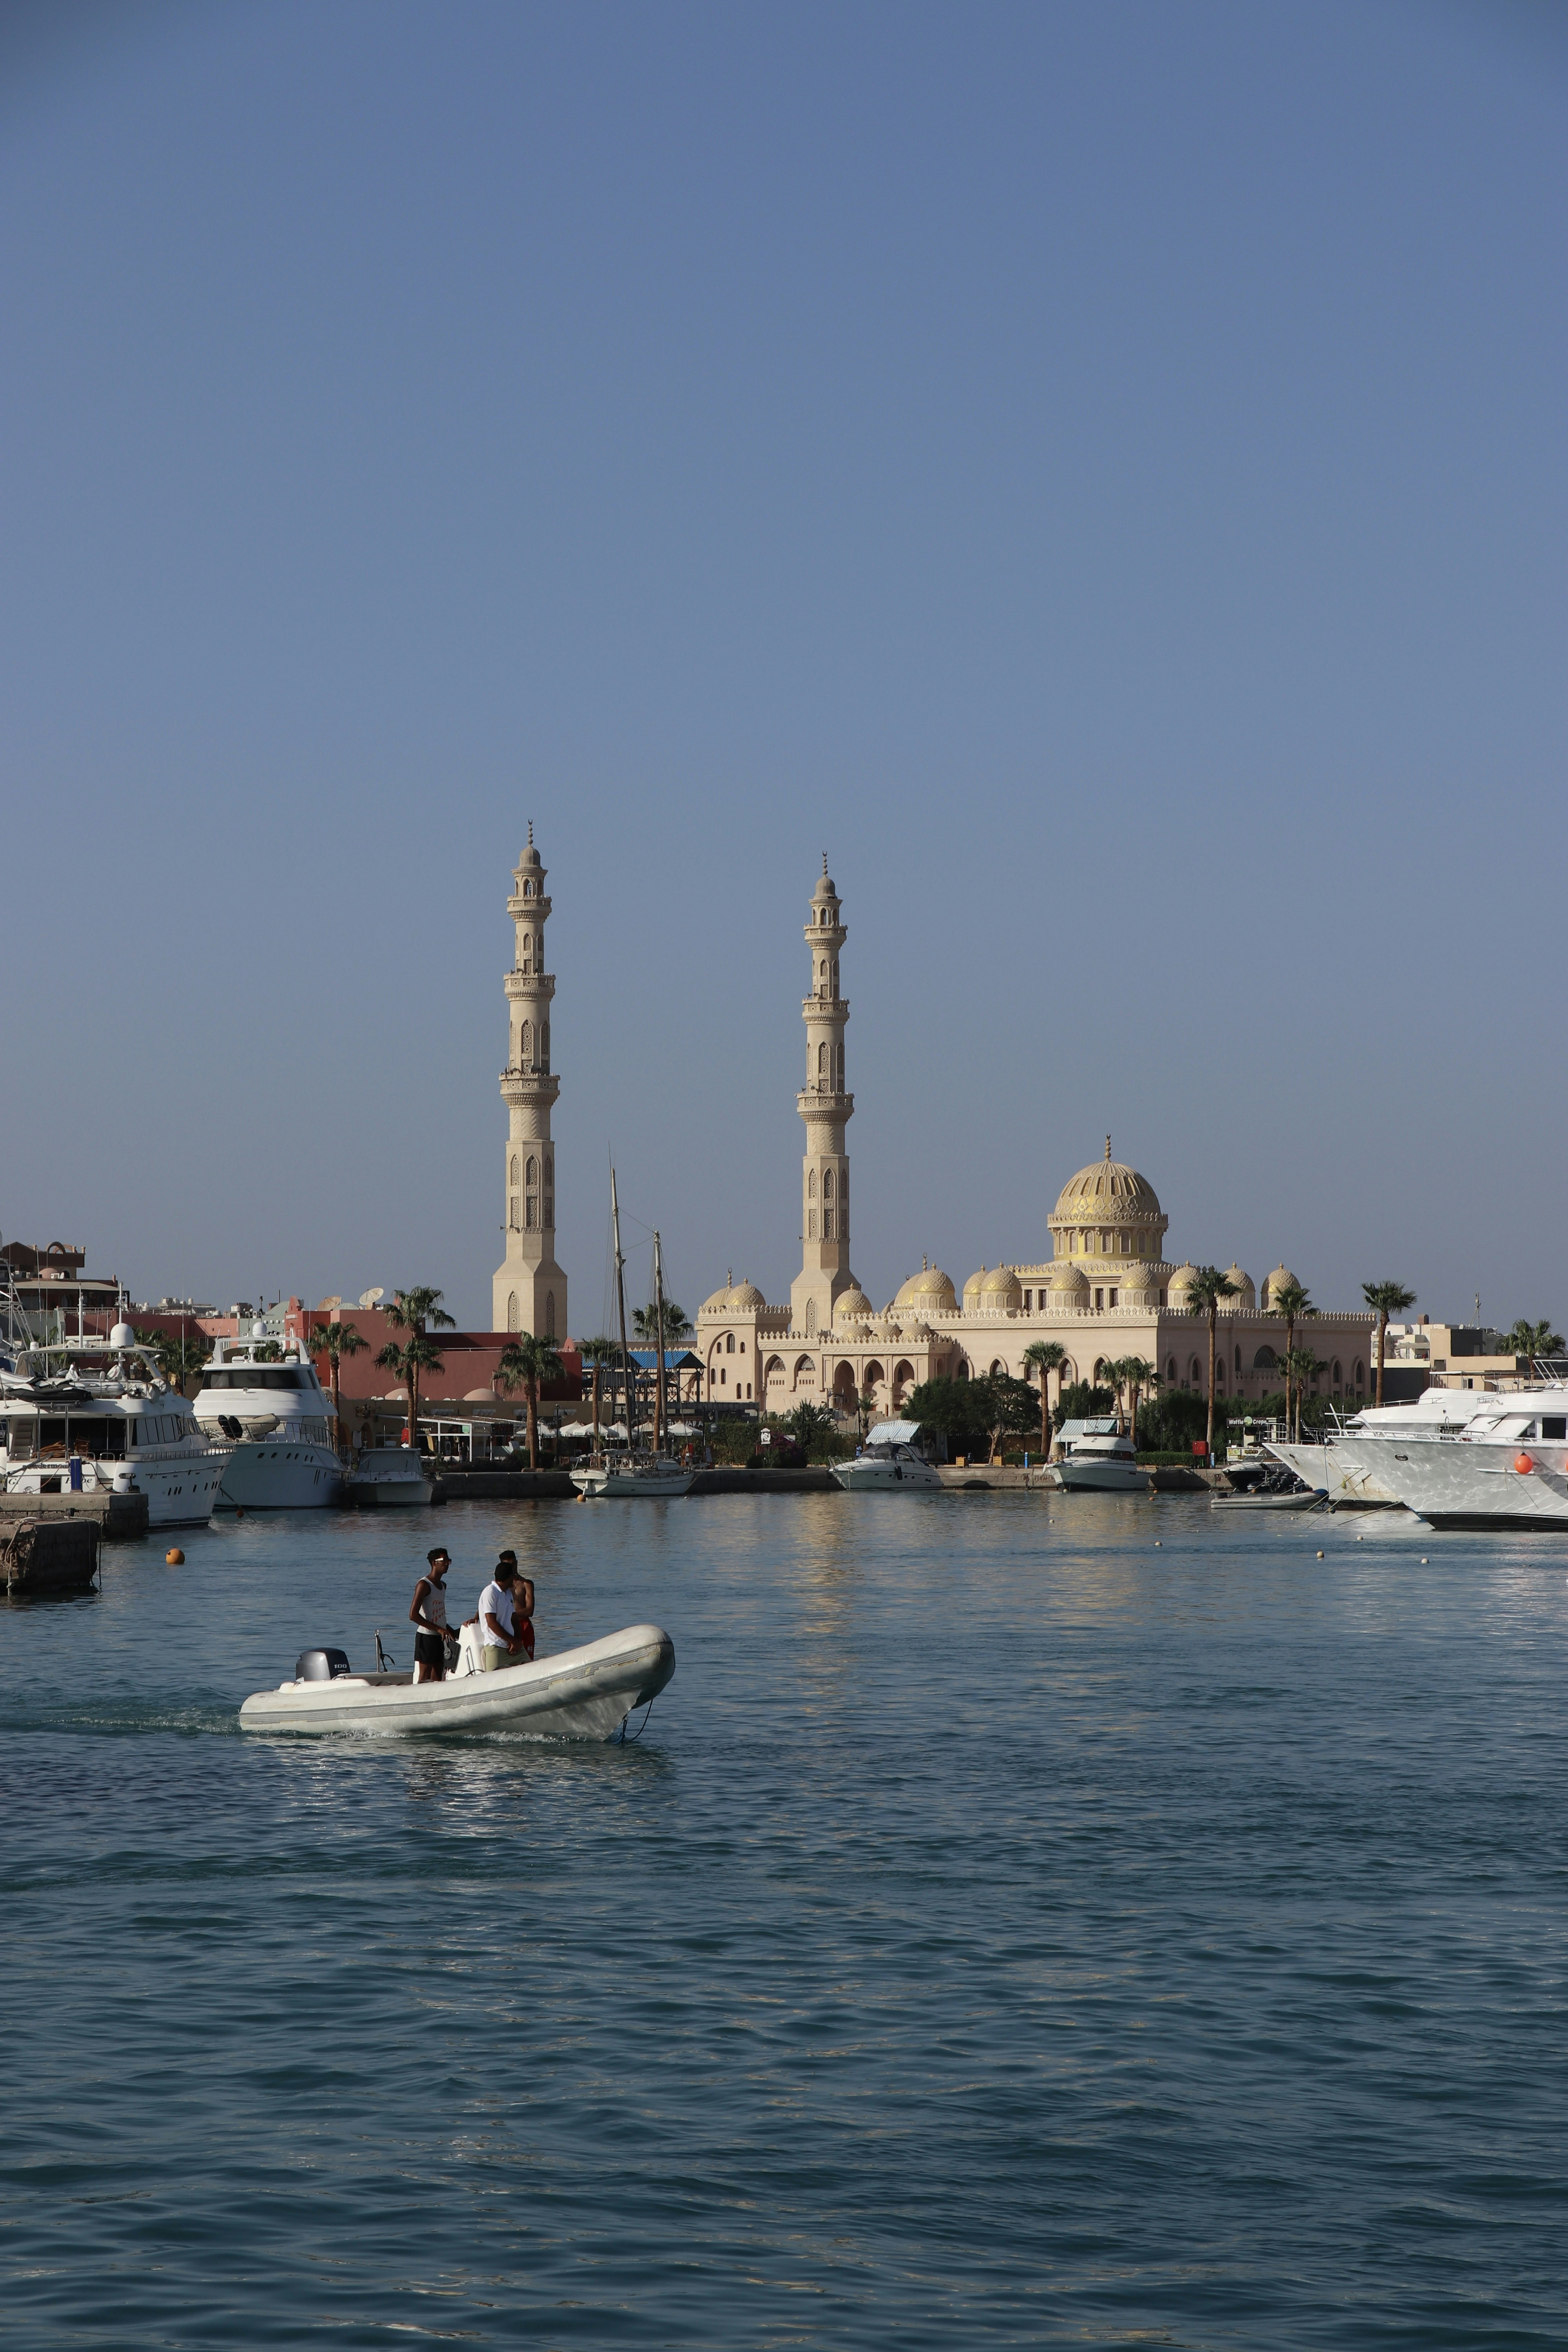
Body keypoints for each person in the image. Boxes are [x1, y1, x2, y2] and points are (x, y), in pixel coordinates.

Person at [408, 1547, 453, 1682]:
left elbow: (440, 1616)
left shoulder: (443, 1586)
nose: (447, 1564)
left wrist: (450, 1631)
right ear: (434, 1563)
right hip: (426, 1637)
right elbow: (413, 1615)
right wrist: (439, 1629)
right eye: (444, 1561)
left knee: (438, 1677)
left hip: (440, 1638)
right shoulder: (424, 1585)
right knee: (425, 1677)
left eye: (448, 1561)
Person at [476, 1557, 528, 1671]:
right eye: (513, 1576)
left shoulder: (508, 1594)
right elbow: (491, 1623)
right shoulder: (490, 1593)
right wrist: (512, 1641)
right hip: (496, 1646)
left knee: (530, 1668)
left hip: (512, 1646)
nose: (515, 1579)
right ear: (510, 1577)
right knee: (492, 1679)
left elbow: (514, 1619)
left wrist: (517, 1641)